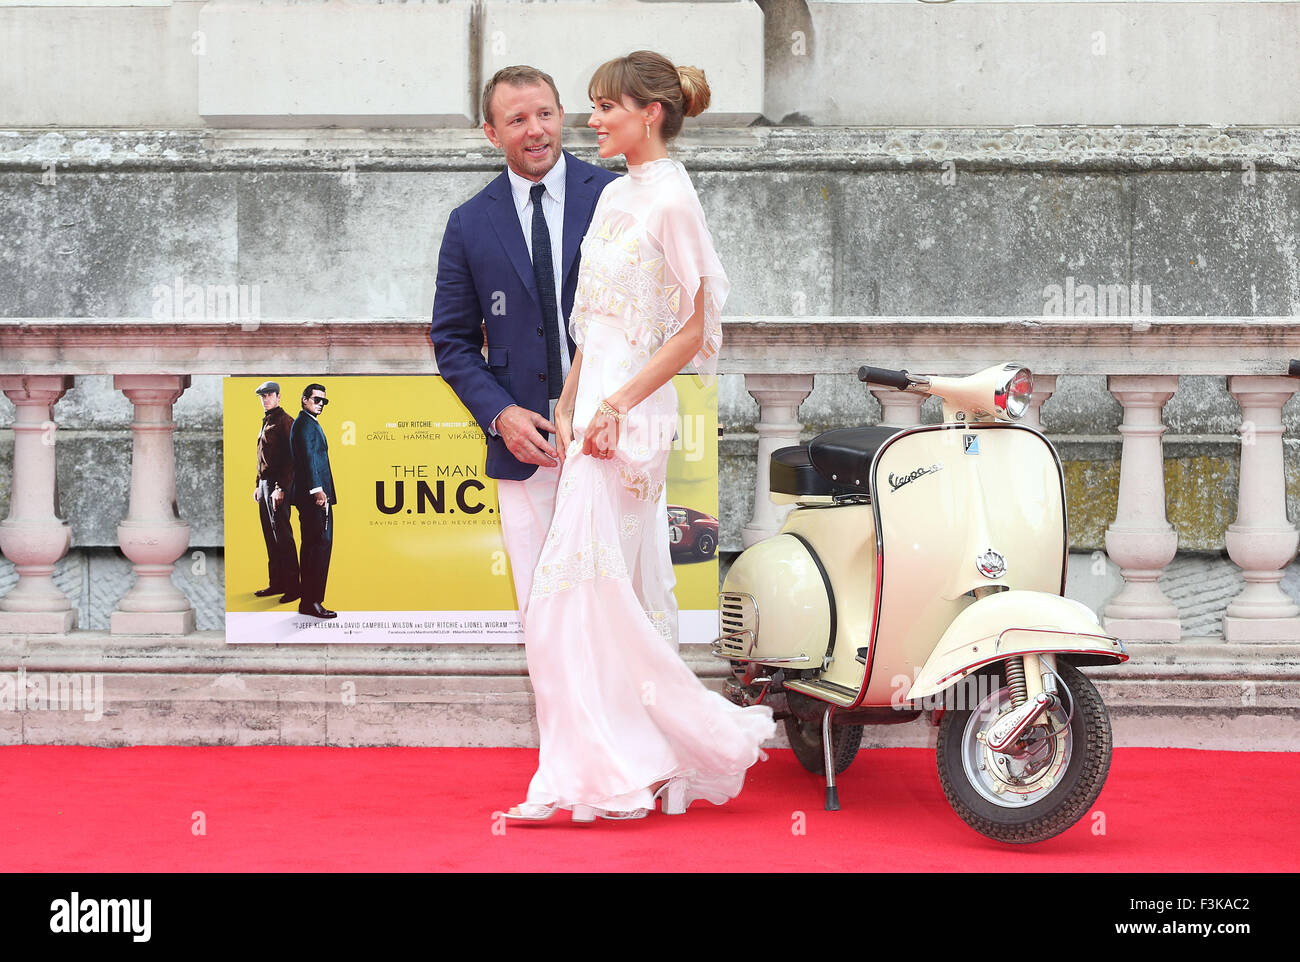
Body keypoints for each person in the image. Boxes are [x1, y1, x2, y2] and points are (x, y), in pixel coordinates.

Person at [499, 51, 775, 823]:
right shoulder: (619, 194)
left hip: (634, 419)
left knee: (576, 597)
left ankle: (614, 766)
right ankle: (629, 761)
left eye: (605, 107)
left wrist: (618, 401)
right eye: (590, 106)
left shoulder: (673, 201)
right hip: (593, 413)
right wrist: (569, 396)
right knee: (600, 591)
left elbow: (696, 328)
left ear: (649, 113)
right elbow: (593, 321)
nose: (592, 120)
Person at [430, 66, 618, 620]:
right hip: (524, 445)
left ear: (562, 116)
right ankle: (560, 710)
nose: (535, 130)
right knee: (541, 605)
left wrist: (617, 403)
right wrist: (502, 416)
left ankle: (616, 708)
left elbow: (649, 315)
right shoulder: (468, 223)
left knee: (615, 599)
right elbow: (453, 341)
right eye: (517, 120)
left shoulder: (613, 197)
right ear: (493, 133)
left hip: (608, 433)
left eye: (544, 114)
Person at [290, 383, 337, 619]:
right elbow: (308, 460)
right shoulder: (305, 425)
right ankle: (312, 602)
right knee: (318, 547)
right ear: (304, 399)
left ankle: (308, 601)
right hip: (315, 498)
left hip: (313, 496)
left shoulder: (307, 423)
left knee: (313, 546)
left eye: (323, 401)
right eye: (316, 399)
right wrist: (318, 490)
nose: (320, 404)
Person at [252, 381, 299, 605]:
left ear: (279, 397)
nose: (265, 399)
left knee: (283, 535)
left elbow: (291, 459)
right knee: (270, 536)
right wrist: (257, 484)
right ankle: (277, 583)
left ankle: (293, 587)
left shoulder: (285, 421)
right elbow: (263, 457)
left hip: (278, 486)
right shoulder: (267, 420)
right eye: (262, 396)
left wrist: (280, 488)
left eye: (269, 395)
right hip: (265, 484)